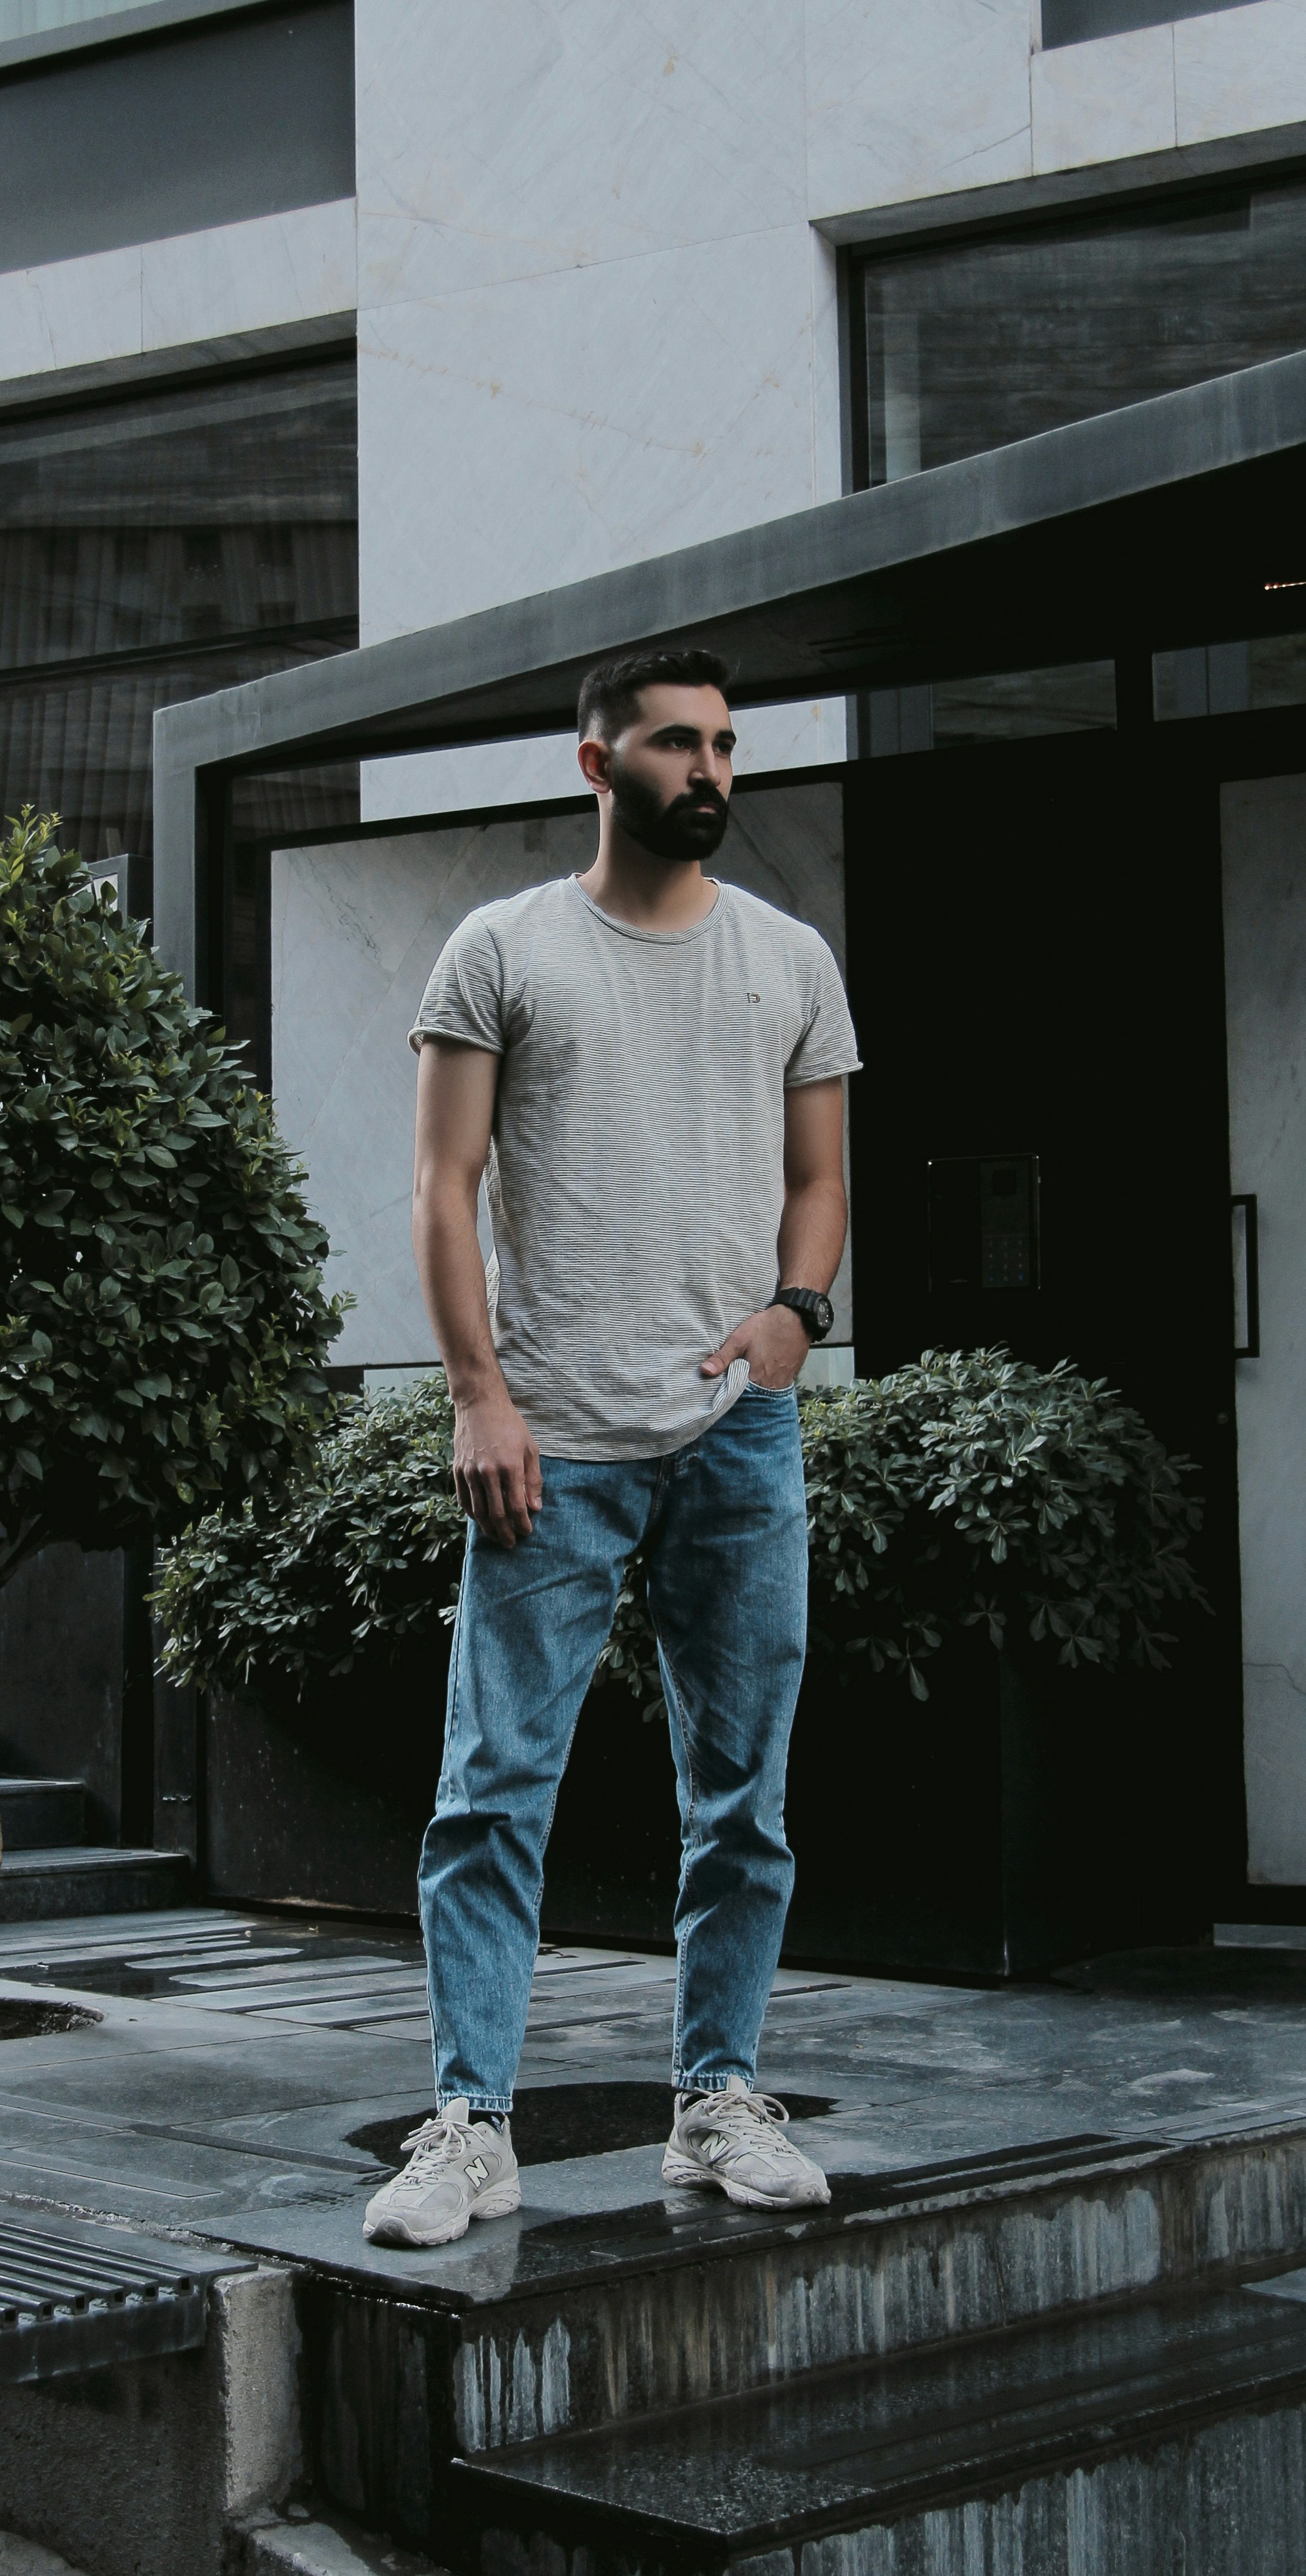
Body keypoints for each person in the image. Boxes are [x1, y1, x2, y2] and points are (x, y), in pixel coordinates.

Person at [362, 645, 859, 2250]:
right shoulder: (502, 947)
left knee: (747, 1792)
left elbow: (821, 1179)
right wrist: (475, 1391)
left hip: (739, 1434)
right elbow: (443, 1186)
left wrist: (796, 1310)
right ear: (597, 765)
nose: (708, 768)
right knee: (490, 1792)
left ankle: (716, 2095)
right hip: (550, 1438)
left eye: (724, 742)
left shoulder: (789, 958)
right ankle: (471, 2121)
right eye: (672, 743)